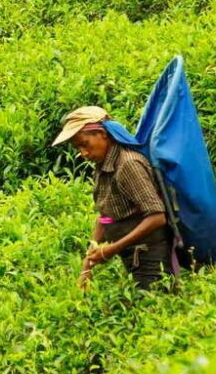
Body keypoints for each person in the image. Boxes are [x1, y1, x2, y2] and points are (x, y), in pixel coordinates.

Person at [52, 106, 171, 290]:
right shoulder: (103, 166)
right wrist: (87, 265)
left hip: (150, 255)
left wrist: (112, 249)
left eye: (85, 144)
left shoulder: (128, 164)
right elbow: (105, 216)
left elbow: (157, 216)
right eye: (78, 148)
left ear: (102, 134)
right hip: (133, 255)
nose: (83, 153)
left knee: (154, 306)